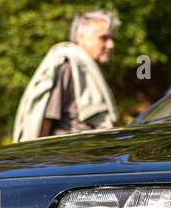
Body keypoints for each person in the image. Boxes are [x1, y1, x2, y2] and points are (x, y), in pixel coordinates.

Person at [13, 10, 119, 141]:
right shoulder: (67, 67)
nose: (110, 45)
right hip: (68, 157)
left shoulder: (86, 69)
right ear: (81, 38)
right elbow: (44, 121)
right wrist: (38, 159)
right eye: (103, 38)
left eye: (111, 38)